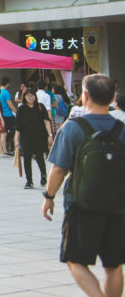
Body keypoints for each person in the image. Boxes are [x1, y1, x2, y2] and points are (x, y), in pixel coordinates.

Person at [43, 74, 125, 297]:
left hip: (81, 206)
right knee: (114, 265)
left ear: (84, 95)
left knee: (75, 261)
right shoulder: (122, 128)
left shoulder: (71, 129)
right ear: (112, 98)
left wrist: (48, 196)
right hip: (118, 207)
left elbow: (58, 169)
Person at [15, 89, 52, 190]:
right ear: (24, 97)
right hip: (26, 137)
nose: (30, 98)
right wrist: (16, 140)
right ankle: (29, 181)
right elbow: (18, 126)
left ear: (35, 96)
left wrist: (50, 135)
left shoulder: (40, 107)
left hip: (40, 136)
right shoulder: (21, 109)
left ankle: (43, 176)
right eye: (28, 96)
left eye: (32, 95)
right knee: (27, 158)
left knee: (39, 156)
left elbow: (46, 121)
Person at [0, 77, 18, 150]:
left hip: (1, 114)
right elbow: (10, 105)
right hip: (8, 114)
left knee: (3, 133)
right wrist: (17, 112)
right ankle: (10, 149)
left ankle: (4, 150)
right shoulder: (6, 93)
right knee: (9, 132)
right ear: (7, 84)